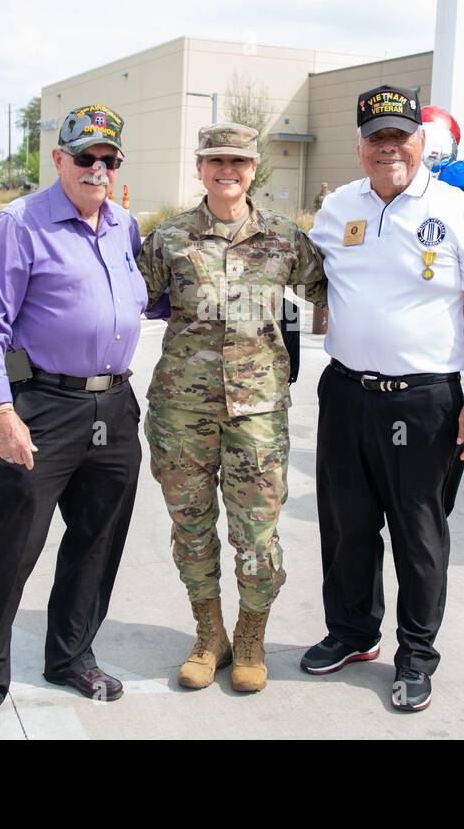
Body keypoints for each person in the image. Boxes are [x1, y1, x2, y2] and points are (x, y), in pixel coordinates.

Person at [303, 85, 464, 712]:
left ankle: (415, 654)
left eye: (400, 137)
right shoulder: (337, 206)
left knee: (418, 532)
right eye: (375, 138)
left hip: (423, 403)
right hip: (345, 392)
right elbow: (301, 277)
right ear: (360, 145)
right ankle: (353, 632)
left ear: (422, 141)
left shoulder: (458, 210)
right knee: (345, 524)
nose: (388, 148)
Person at [0, 104, 146, 740]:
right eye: (85, 157)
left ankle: (70, 657)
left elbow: (153, 296)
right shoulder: (19, 224)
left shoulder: (126, 226)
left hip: (113, 407)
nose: (97, 168)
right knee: (12, 548)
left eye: (108, 159)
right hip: (42, 407)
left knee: (96, 543)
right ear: (58, 159)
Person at [138, 123, 327, 693]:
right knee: (191, 529)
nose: (228, 170)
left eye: (239, 162)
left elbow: (337, 291)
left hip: (258, 413)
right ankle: (208, 632)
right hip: (180, 412)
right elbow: (122, 302)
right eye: (216, 160)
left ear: (254, 171)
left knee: (257, 535)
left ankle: (249, 636)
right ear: (199, 167)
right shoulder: (167, 239)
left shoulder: (285, 239)